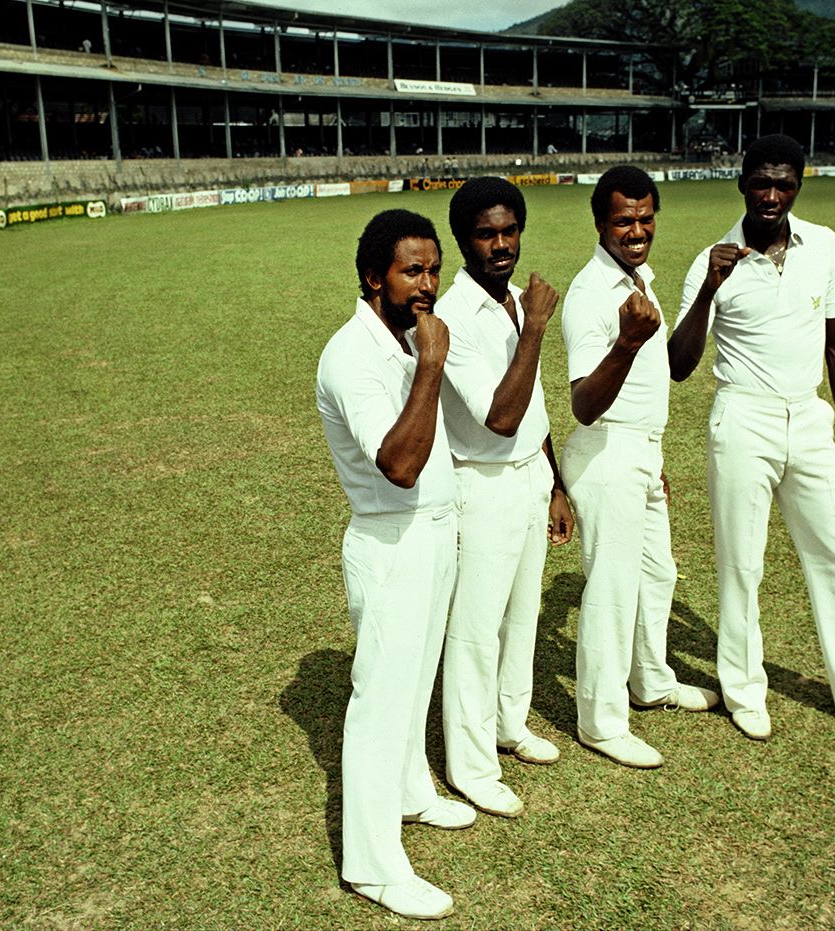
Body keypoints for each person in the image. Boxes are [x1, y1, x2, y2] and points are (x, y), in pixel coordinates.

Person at [668, 134, 835, 743]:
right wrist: (710, 287)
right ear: (740, 184)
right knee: (741, 564)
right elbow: (678, 363)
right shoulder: (712, 260)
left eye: (783, 184)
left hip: (809, 419)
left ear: (798, 186)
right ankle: (743, 691)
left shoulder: (825, 246)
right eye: (760, 183)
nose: (771, 195)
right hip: (742, 420)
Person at [316, 209, 475, 921]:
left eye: (434, 269)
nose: (428, 284)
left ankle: (411, 791)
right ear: (372, 275)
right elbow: (400, 465)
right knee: (380, 705)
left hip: (433, 536)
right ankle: (373, 866)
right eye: (413, 270)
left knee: (415, 686)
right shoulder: (353, 355)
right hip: (391, 539)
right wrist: (434, 363)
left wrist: (425, 356)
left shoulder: (404, 339)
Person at [559, 166, 719, 770]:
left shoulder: (640, 278)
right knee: (612, 588)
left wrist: (651, 456)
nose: (637, 229)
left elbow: (668, 372)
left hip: (640, 453)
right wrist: (625, 342)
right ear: (600, 223)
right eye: (624, 220)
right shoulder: (589, 295)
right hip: (605, 453)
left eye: (646, 217)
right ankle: (601, 721)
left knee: (658, 576)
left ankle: (650, 680)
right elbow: (584, 402)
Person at [436, 177, 574, 818]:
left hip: (529, 478)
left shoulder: (521, 299)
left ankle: (508, 726)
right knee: (474, 630)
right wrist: (537, 330)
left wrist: (556, 487)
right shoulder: (452, 317)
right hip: (481, 482)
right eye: (486, 234)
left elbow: (537, 412)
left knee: (523, 617)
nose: (500, 245)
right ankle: (470, 765)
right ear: (464, 241)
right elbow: (500, 416)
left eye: (509, 231)